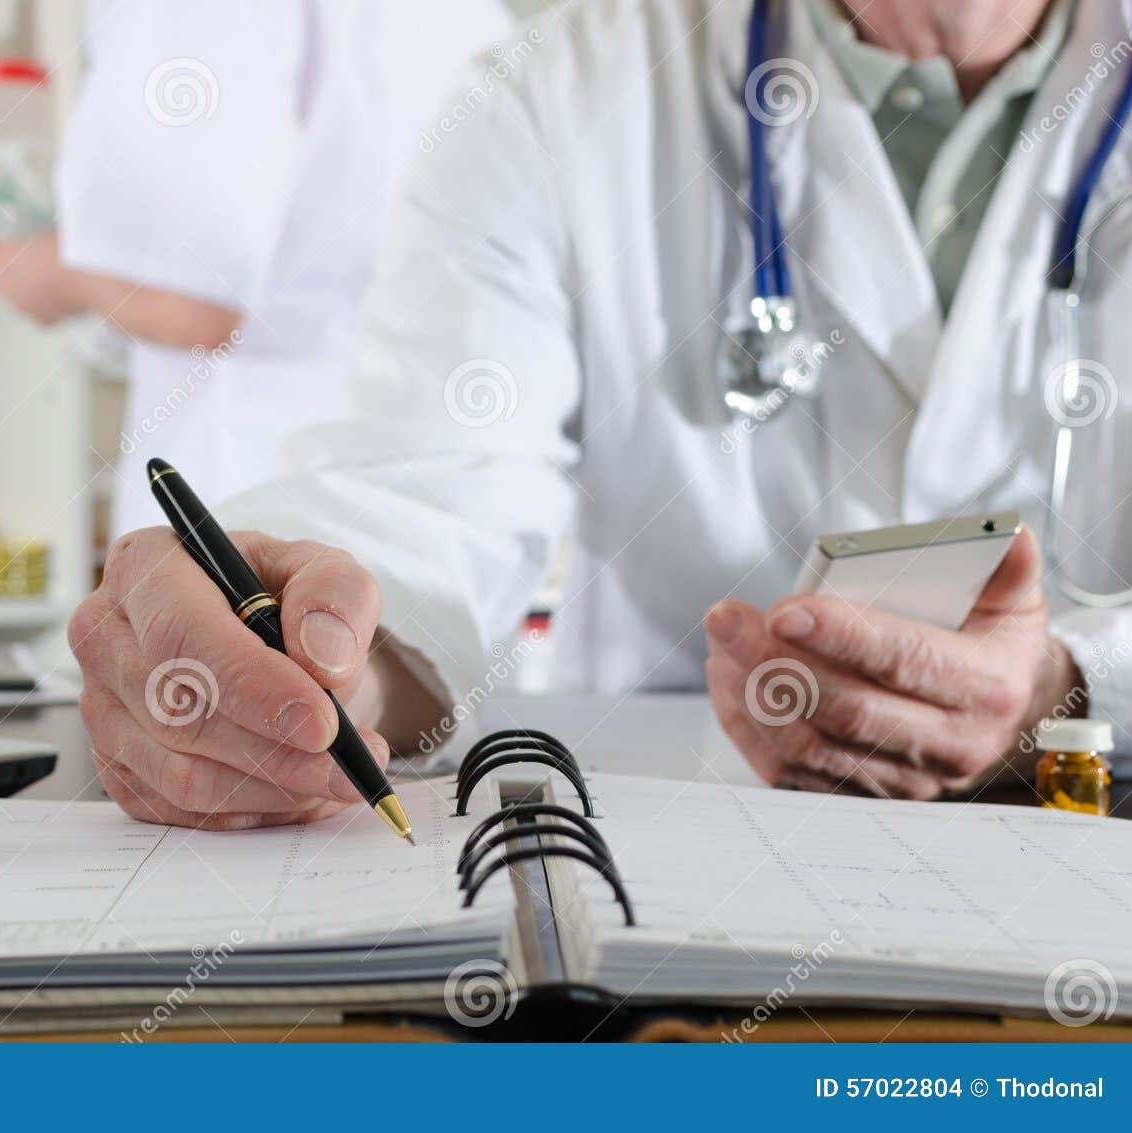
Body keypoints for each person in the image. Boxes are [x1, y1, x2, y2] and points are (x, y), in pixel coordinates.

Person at [69, 0, 1132, 828]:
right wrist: (320, 654)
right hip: (684, 838)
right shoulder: (556, 94)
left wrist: (1069, 685)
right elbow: (432, 489)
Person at [0, 0, 509, 536]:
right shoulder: (476, 14)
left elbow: (190, 306)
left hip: (252, 497)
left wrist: (48, 270)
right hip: (437, 500)